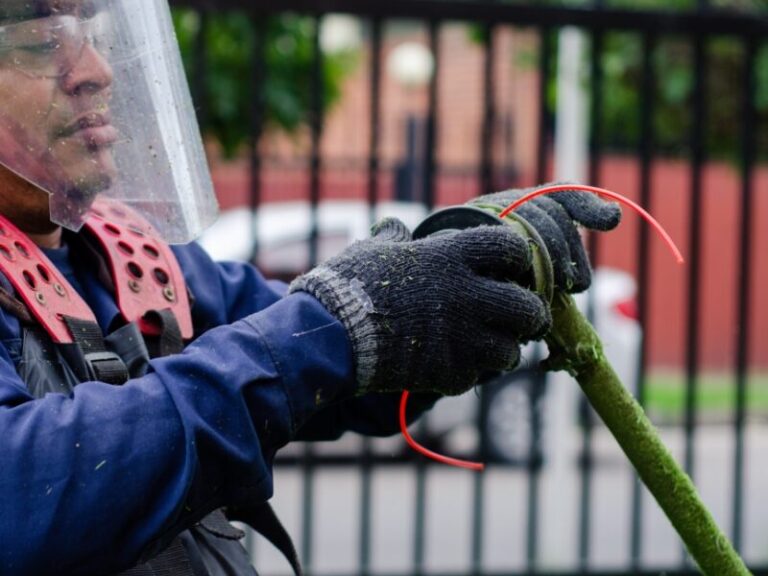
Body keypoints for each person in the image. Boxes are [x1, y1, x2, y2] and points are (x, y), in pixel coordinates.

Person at [0, 1, 621, 575]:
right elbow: (23, 491)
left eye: (97, 37)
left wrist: (464, 260)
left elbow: (351, 377)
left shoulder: (129, 259)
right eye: (38, 44)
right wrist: (330, 329)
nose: (96, 71)